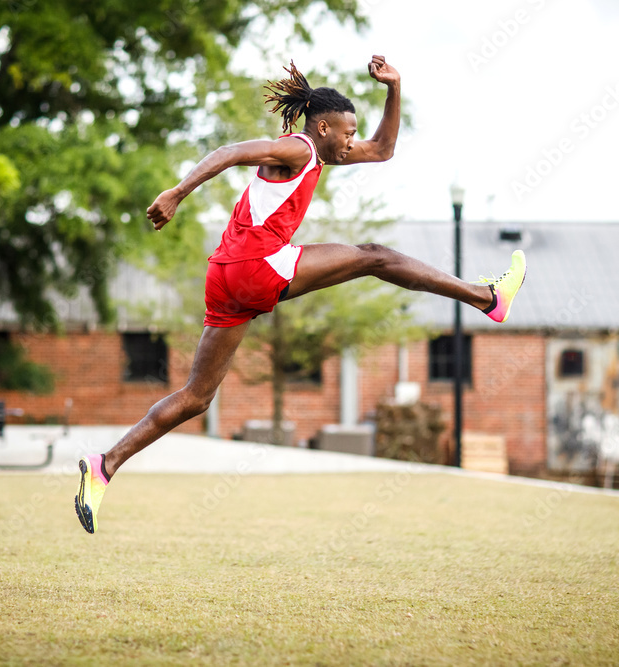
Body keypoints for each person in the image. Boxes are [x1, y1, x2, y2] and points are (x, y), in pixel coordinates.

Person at [74, 56, 526, 534]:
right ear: (324, 127)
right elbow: (229, 150)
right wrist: (178, 192)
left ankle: (104, 465)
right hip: (256, 265)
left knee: (196, 397)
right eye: (348, 133)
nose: (353, 141)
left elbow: (384, 149)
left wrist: (394, 87)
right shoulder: (297, 148)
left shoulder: (322, 152)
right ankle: (485, 297)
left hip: (225, 277)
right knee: (375, 256)